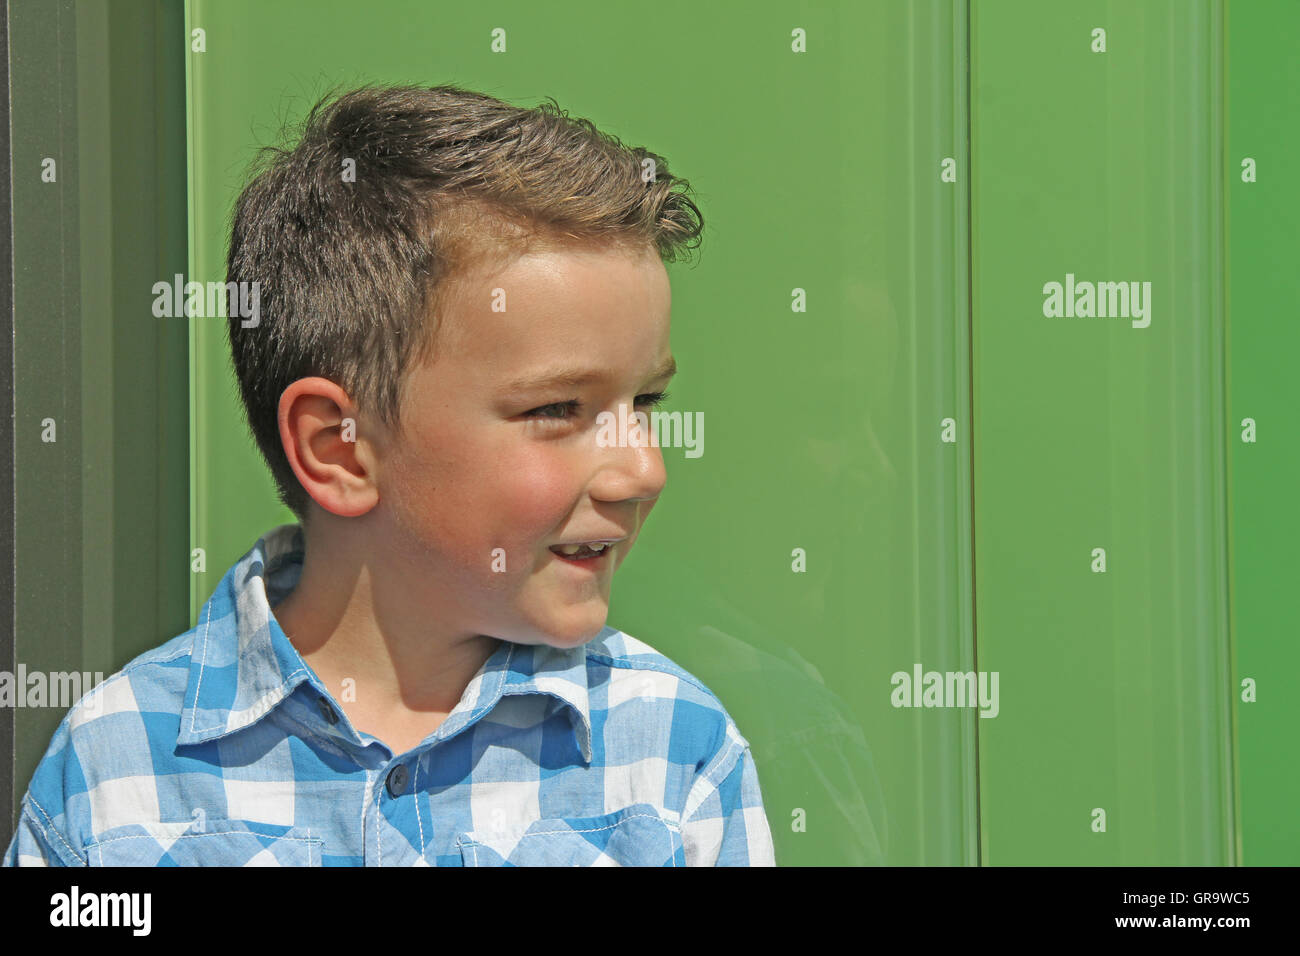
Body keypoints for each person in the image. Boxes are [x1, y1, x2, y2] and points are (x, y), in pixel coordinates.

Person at [3, 84, 775, 866]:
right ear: (339, 448)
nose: (642, 469)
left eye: (644, 401)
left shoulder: (675, 761)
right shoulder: (116, 775)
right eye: (557, 409)